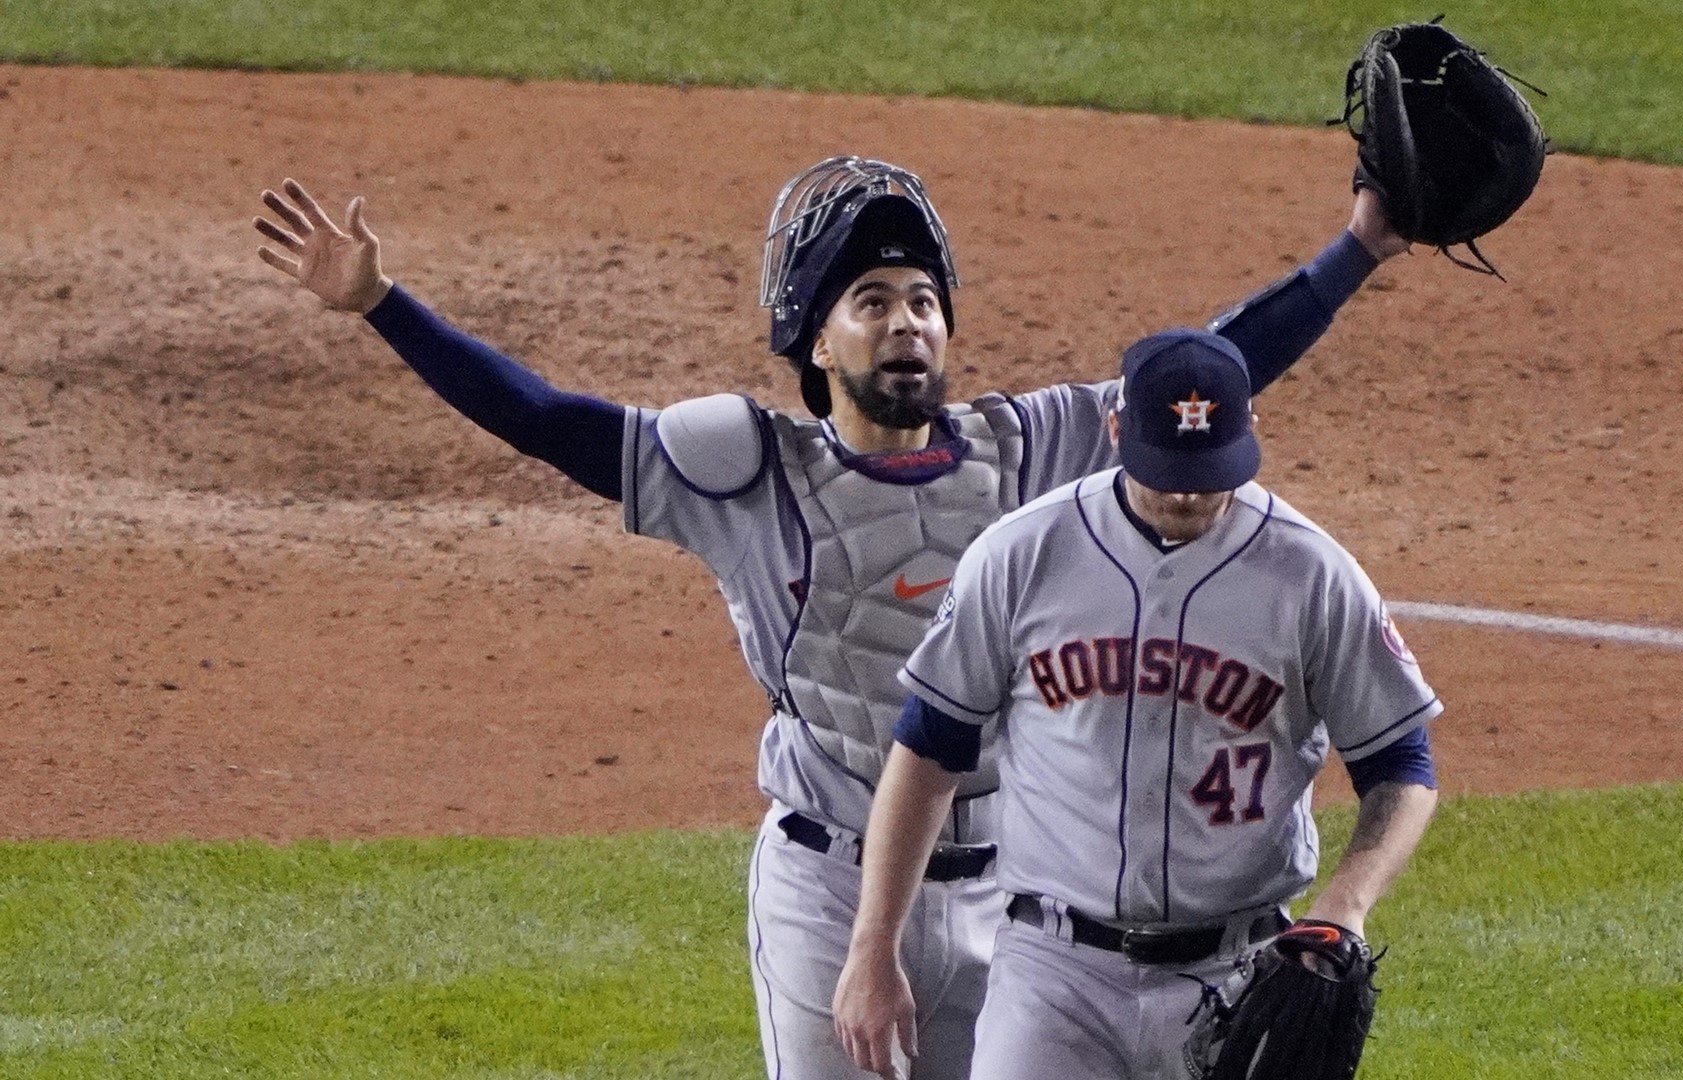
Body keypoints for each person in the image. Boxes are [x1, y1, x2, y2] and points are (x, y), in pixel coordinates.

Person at [253, 158, 1411, 1080]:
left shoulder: (1032, 448)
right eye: (870, 303)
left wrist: (1359, 246)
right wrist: (383, 308)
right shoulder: (744, 471)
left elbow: (1205, 377)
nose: (905, 322)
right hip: (825, 881)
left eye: (922, 302)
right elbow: (551, 422)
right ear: (818, 340)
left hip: (1020, 890)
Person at [832, 328, 1441, 1080]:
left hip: (1236, 976)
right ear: (1116, 430)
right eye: (1165, 468)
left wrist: (1345, 903)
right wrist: (873, 947)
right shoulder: (1022, 553)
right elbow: (928, 750)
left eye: (1209, 469)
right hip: (1054, 978)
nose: (1186, 491)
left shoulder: (1313, 575)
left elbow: (1403, 765)